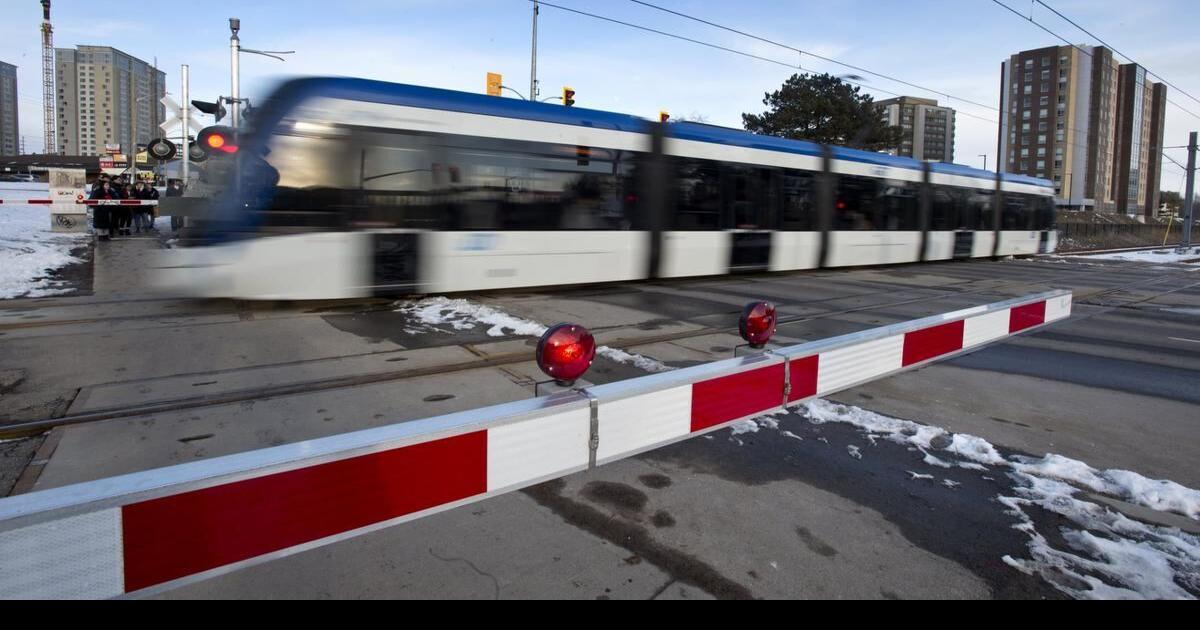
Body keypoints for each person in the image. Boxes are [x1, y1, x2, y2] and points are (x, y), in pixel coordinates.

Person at [89, 176, 118, 241]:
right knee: (100, 224)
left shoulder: (110, 191)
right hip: (99, 210)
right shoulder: (98, 191)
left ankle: (106, 236)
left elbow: (115, 199)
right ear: (103, 185)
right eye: (106, 185)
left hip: (108, 210)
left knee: (107, 224)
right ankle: (100, 236)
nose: (108, 186)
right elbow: (94, 200)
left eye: (108, 185)